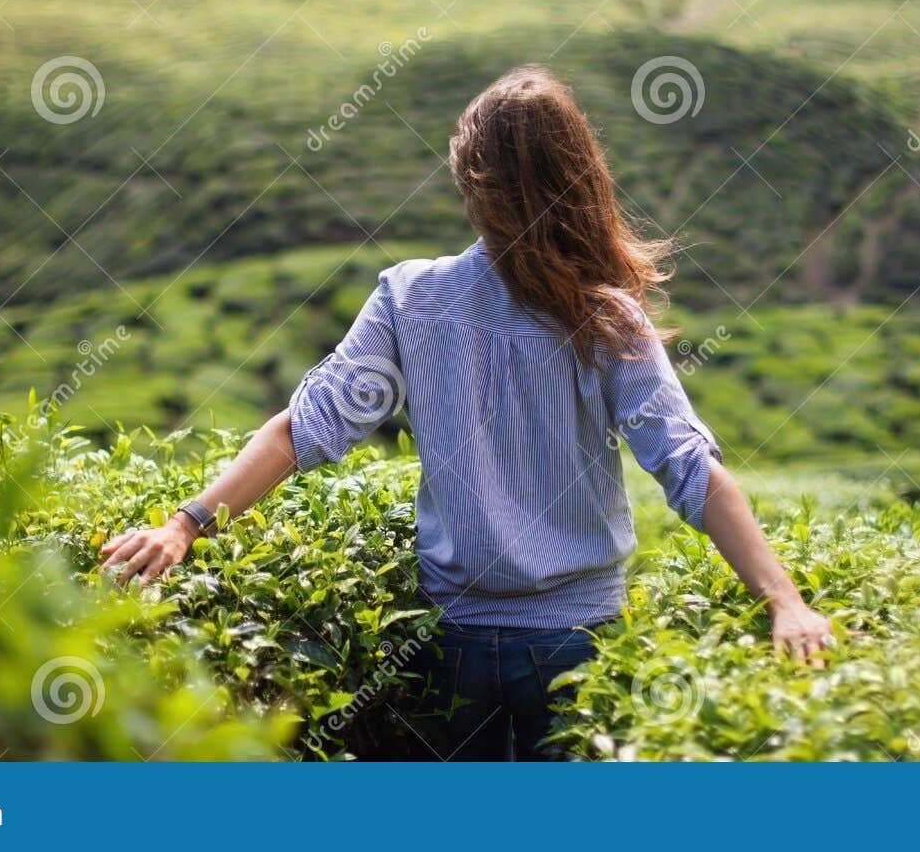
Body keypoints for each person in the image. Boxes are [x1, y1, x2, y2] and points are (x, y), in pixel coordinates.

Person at [100, 64, 833, 759]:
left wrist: (185, 523)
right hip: (579, 641)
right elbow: (688, 466)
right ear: (580, 178)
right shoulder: (607, 317)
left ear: (469, 178)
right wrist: (784, 599)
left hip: (446, 644)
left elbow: (304, 429)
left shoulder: (410, 298)